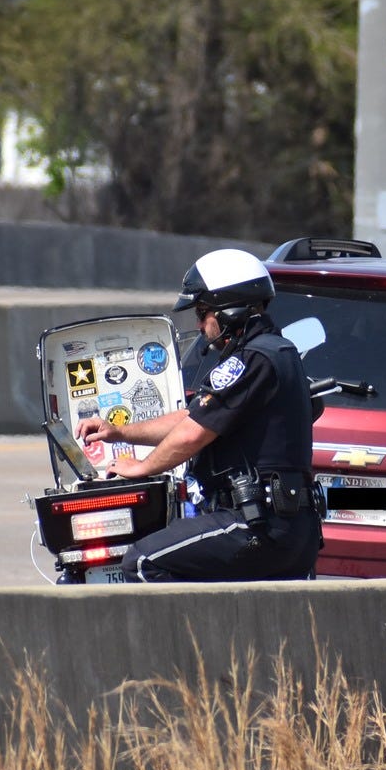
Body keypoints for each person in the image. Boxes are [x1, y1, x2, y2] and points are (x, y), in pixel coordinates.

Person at [77, 248, 322, 582]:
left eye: (204, 312)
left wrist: (141, 468)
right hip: (286, 526)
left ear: (229, 312)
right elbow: (191, 417)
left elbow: (193, 433)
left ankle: (190, 638)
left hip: (258, 525)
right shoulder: (276, 352)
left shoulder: (252, 360)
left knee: (142, 561)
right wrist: (119, 432)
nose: (199, 323)